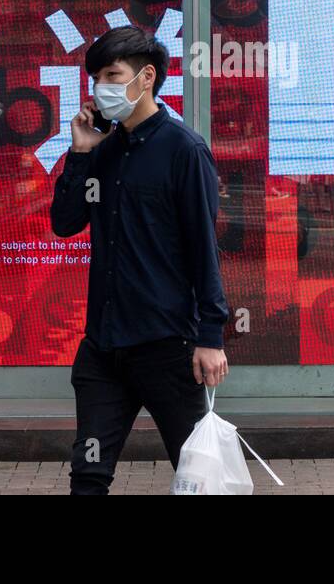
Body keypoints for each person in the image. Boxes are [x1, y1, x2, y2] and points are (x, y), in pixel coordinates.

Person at [49, 26, 230, 495]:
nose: (99, 90)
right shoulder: (101, 151)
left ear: (146, 77)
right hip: (103, 350)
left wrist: (211, 337)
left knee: (197, 476)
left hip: (166, 347)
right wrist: (79, 154)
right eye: (95, 80)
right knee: (88, 474)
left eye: (112, 75)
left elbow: (203, 249)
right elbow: (65, 223)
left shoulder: (184, 151)